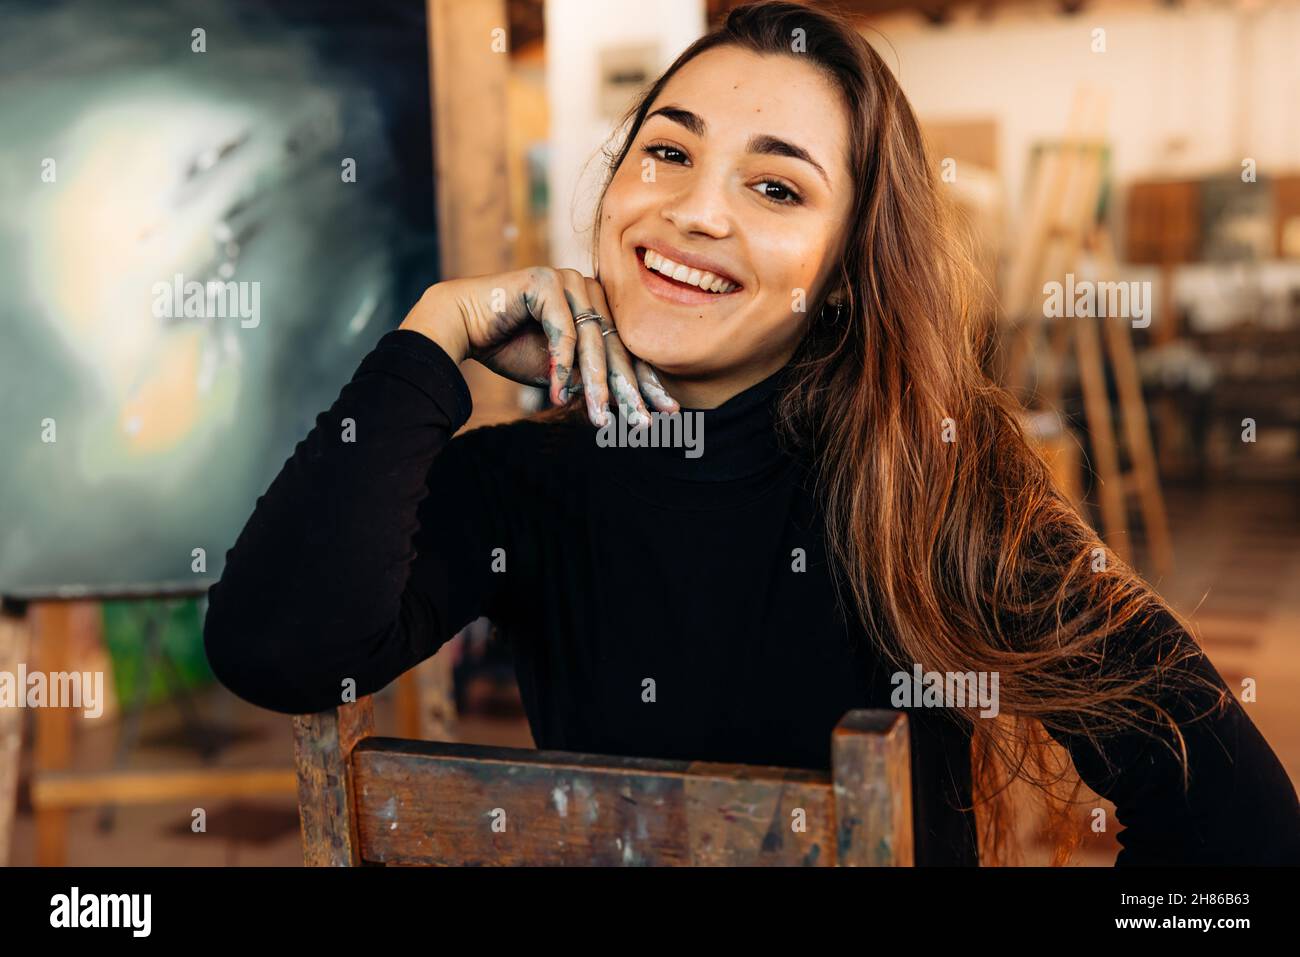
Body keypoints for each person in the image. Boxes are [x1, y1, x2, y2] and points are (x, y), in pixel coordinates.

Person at [203, 1, 1300, 865]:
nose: (696, 212)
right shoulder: (520, 485)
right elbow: (277, 650)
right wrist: (434, 331)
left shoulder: (926, 486)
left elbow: (1241, 826)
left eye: (775, 186)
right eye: (667, 154)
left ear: (839, 278)